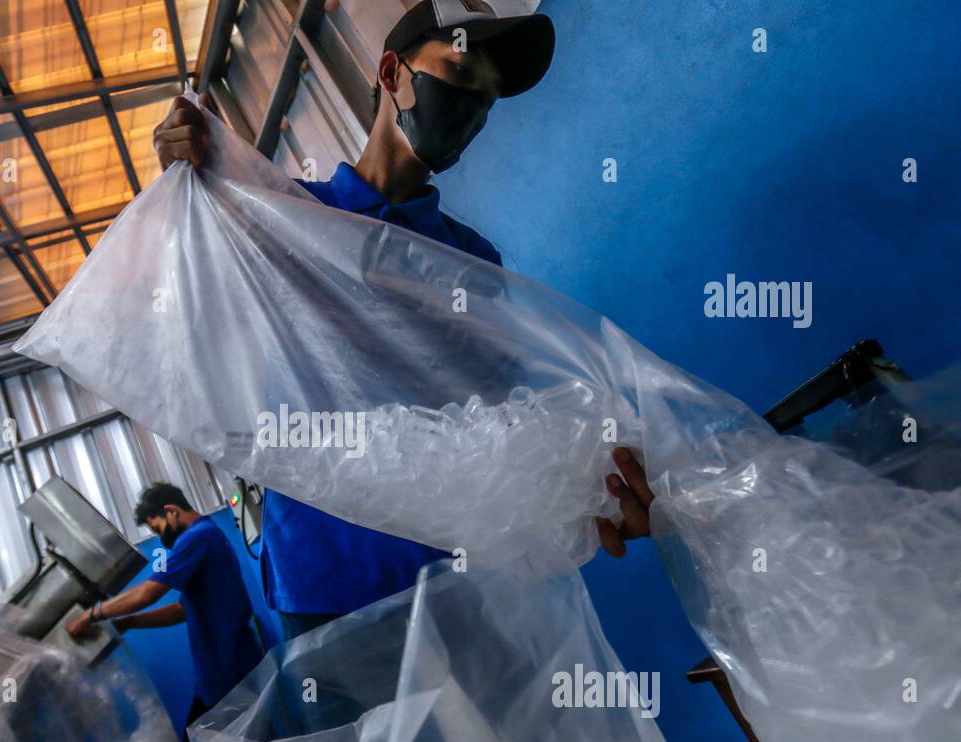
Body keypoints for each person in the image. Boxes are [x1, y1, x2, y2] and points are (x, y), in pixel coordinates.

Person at [152, 1, 654, 641]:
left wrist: (590, 492)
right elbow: (192, 314)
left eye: (488, 99)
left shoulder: (471, 261)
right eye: (461, 72)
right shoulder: (285, 222)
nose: (472, 107)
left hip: (461, 576)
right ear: (392, 73)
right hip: (331, 585)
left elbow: (507, 422)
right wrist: (183, 183)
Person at [67, 482, 264, 726]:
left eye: (158, 528)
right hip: (224, 668)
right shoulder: (209, 534)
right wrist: (130, 622)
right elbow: (182, 610)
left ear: (171, 511)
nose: (161, 538)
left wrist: (92, 614)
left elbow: (148, 592)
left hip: (229, 668)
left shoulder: (195, 537)